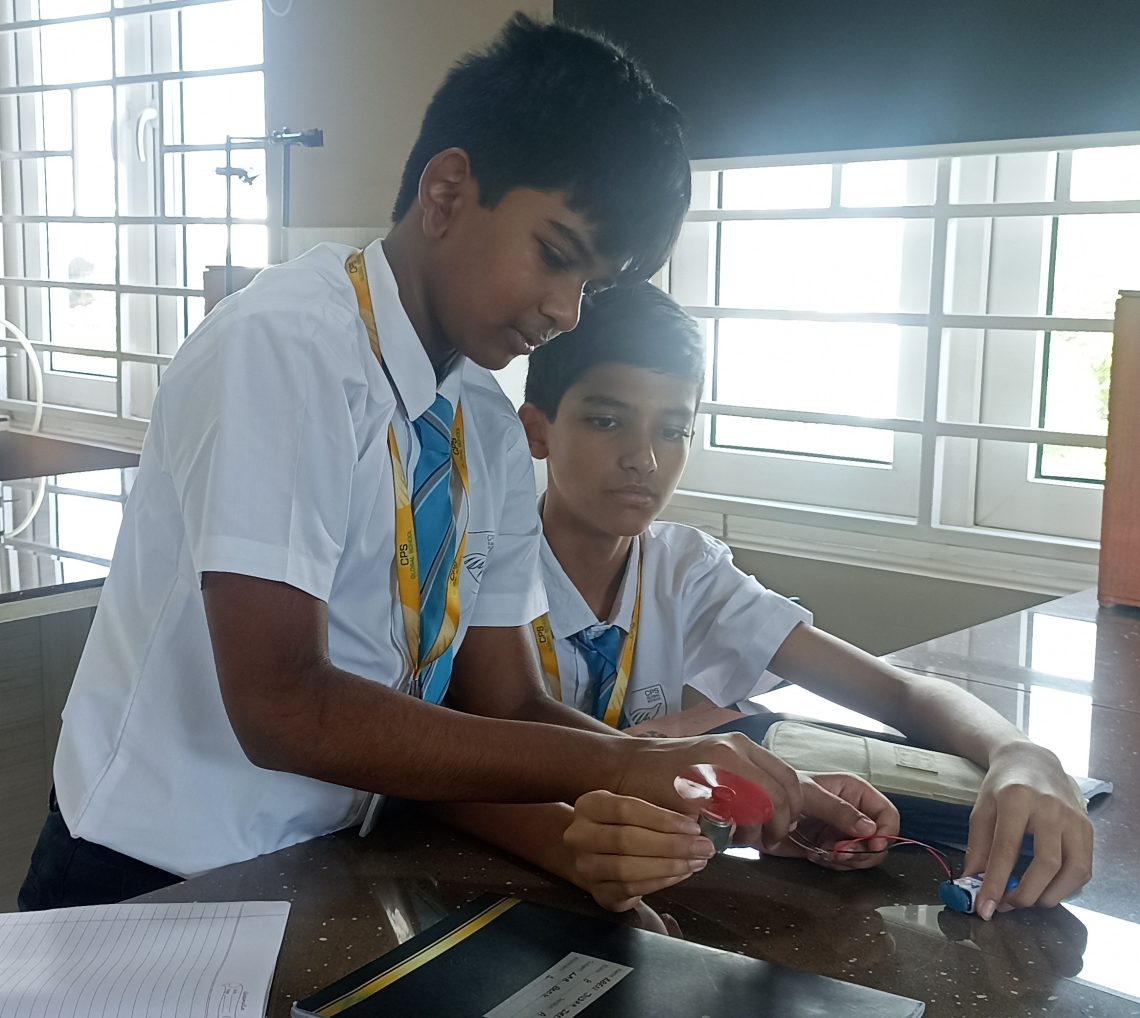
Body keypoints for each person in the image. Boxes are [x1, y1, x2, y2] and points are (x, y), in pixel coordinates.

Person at [19, 15, 880, 911]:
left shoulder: (483, 421)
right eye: (556, 257)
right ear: (446, 192)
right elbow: (283, 707)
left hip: (330, 863)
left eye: (592, 283)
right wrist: (629, 759)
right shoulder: (286, 347)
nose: (567, 311)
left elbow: (504, 701)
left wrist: (718, 790)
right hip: (149, 876)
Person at [438, 281, 1093, 922]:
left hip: (635, 896)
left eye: (673, 430)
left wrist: (1019, 754)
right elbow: (454, 777)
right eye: (607, 421)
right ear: (537, 430)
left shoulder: (683, 569)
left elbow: (901, 694)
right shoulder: (478, 566)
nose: (643, 458)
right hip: (476, 887)